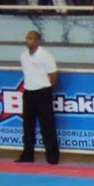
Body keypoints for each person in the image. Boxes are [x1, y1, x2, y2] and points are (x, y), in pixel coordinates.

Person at [16, 29, 60, 165]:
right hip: (28, 93)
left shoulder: (46, 56)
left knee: (47, 127)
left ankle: (52, 157)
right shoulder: (23, 56)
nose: (27, 40)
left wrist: (47, 91)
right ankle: (27, 155)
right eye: (27, 38)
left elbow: (53, 76)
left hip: (43, 93)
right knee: (27, 127)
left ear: (37, 41)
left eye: (31, 38)